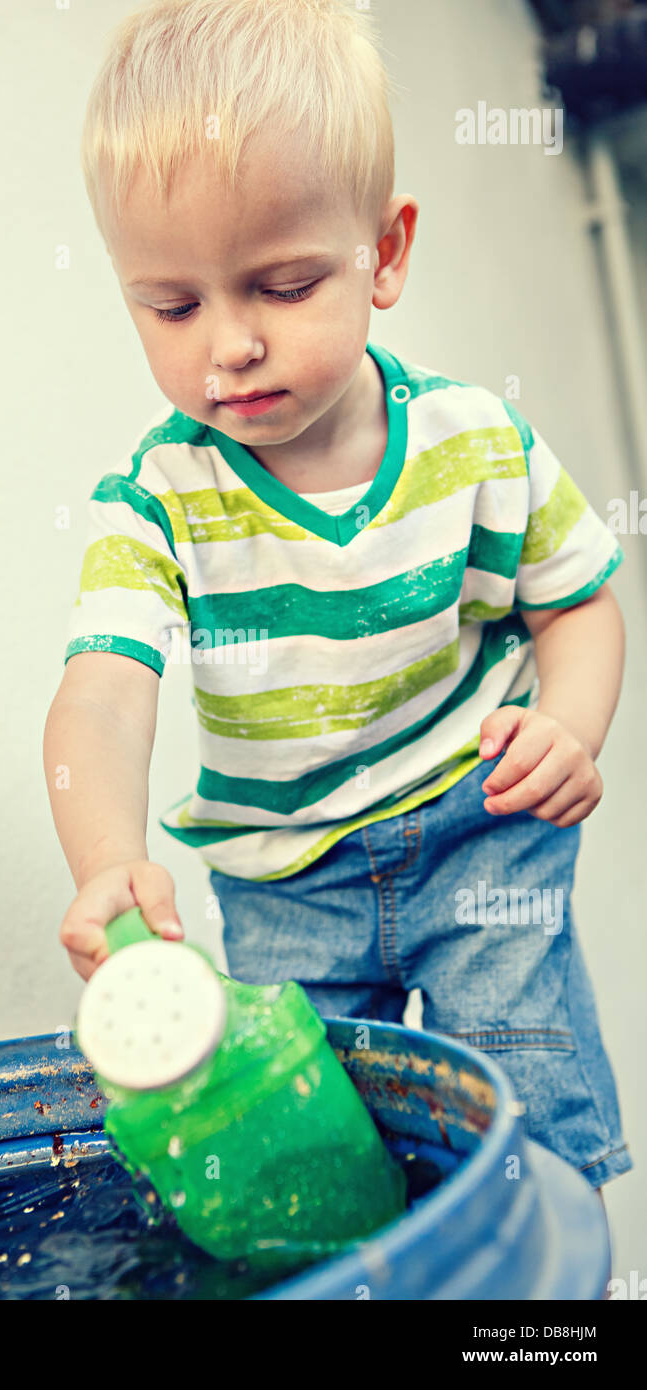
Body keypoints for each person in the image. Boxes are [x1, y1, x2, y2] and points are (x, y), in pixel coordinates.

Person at [43, 0, 632, 1205]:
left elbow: (575, 604)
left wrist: (570, 725)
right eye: (173, 305)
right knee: (316, 1161)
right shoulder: (157, 501)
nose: (231, 343)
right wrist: (107, 856)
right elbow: (102, 696)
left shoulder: (474, 442)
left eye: (282, 283)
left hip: (479, 836)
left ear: (384, 251)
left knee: (529, 1133)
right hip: (286, 884)